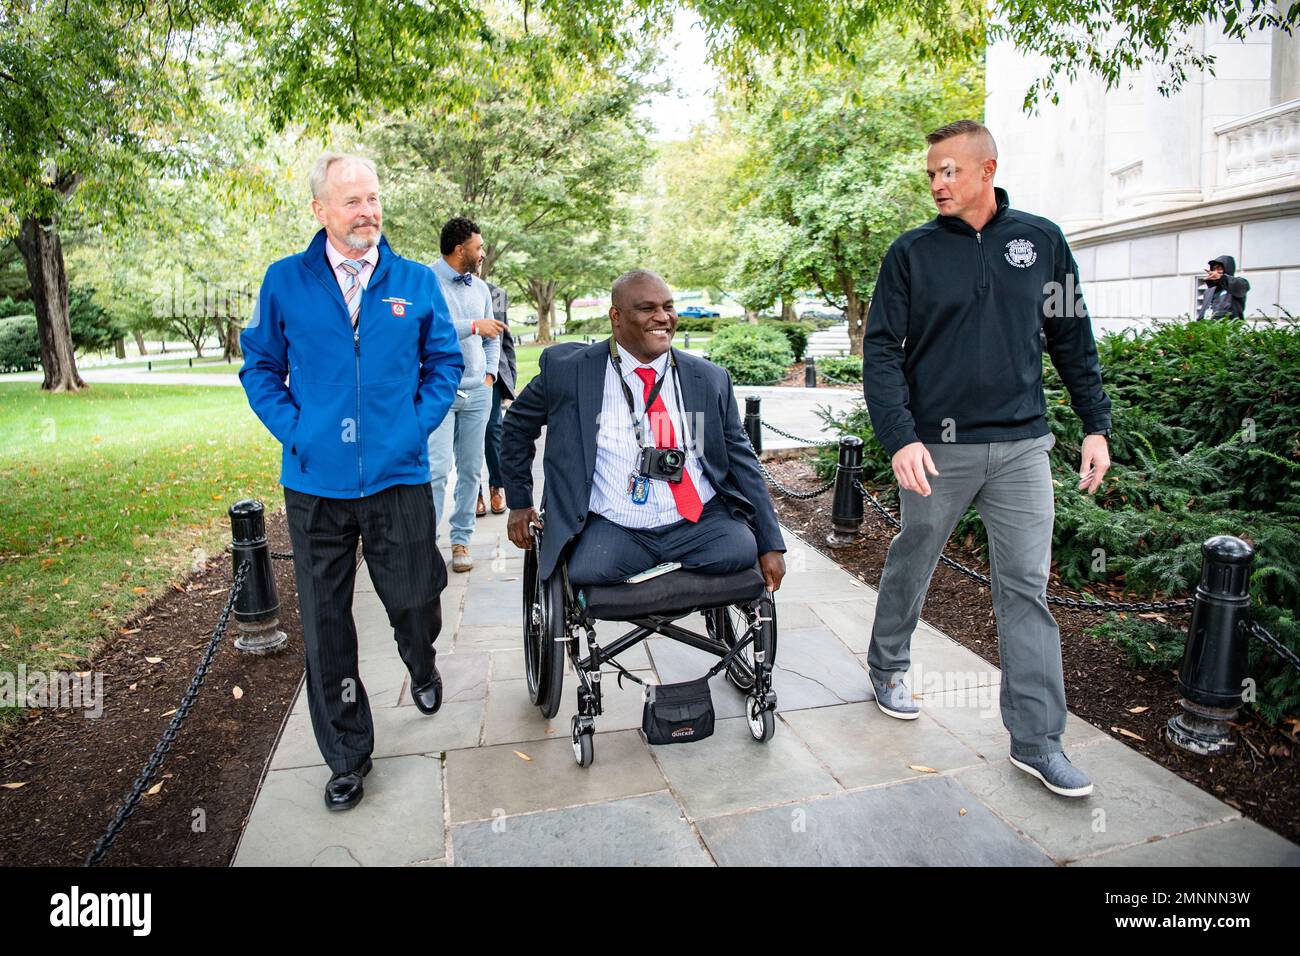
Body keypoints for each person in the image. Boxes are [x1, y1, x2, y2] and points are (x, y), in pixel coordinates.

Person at [862, 120, 1113, 798]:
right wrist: (900, 437)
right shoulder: (911, 254)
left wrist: (1096, 425)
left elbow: (1071, 336)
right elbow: (881, 352)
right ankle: (887, 664)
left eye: (950, 171)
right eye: (932, 174)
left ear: (987, 170)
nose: (938, 184)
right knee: (913, 554)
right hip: (936, 449)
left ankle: (1037, 741)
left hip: (1023, 446)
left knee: (1026, 587)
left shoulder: (1042, 241)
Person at [240, 153, 464, 811]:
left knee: (416, 597)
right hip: (316, 486)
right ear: (319, 211)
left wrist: (410, 430)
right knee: (326, 624)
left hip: (398, 477)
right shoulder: (285, 282)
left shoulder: (415, 281)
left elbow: (444, 364)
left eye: (372, 198)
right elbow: (259, 368)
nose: (366, 211)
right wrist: (301, 431)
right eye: (351, 201)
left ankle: (420, 660)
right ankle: (346, 755)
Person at [500, 269, 786, 595]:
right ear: (616, 317)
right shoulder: (570, 372)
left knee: (740, 549)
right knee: (590, 566)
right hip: (615, 526)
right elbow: (516, 427)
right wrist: (520, 503)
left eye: (668, 306)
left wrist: (770, 542)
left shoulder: (708, 379)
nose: (662, 317)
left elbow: (741, 458)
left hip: (699, 524)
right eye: (648, 308)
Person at [426, 217, 505, 572]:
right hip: (437, 390)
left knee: (472, 471)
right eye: (479, 246)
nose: (483, 252)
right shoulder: (426, 282)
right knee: (437, 470)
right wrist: (472, 326)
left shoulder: (481, 289)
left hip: (478, 392)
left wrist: (489, 374)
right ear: (461, 250)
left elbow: (493, 336)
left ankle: (461, 541)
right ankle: (427, 545)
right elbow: (425, 330)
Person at [478, 273, 516, 517]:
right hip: (460, 374)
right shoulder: (442, 288)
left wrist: (509, 378)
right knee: (464, 439)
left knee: (493, 430)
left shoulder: (497, 294)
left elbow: (505, 339)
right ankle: (474, 493)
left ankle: (496, 487)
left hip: (491, 375)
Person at [1197, 255, 1250, 320]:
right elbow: (1202, 314)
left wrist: (1221, 278)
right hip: (1209, 328)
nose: (1216, 271)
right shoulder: (1209, 291)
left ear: (1227, 268)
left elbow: (1239, 286)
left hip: (1228, 328)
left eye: (1219, 268)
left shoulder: (1239, 284)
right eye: (1214, 269)